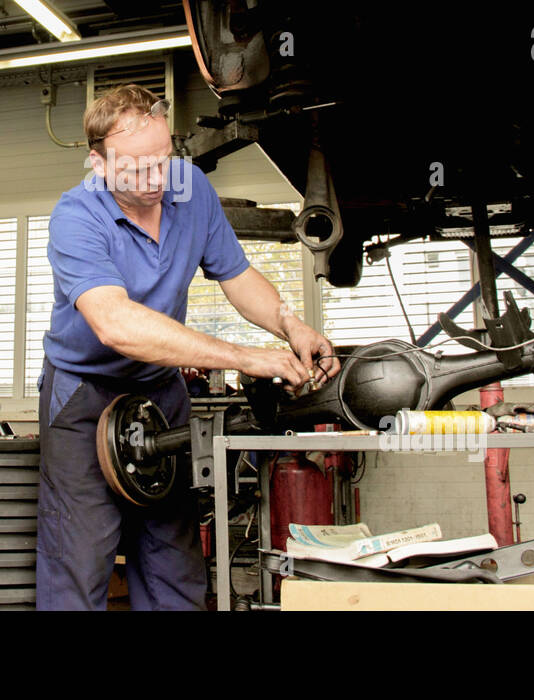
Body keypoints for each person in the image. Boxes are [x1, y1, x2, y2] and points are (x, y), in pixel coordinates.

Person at [35, 83, 337, 610]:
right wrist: (245, 357)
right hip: (84, 396)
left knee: (173, 556)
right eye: (135, 168)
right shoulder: (75, 217)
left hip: (159, 393)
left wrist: (290, 324)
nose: (156, 180)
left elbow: (237, 275)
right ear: (98, 163)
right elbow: (116, 325)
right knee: (79, 560)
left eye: (163, 160)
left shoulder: (190, 188)